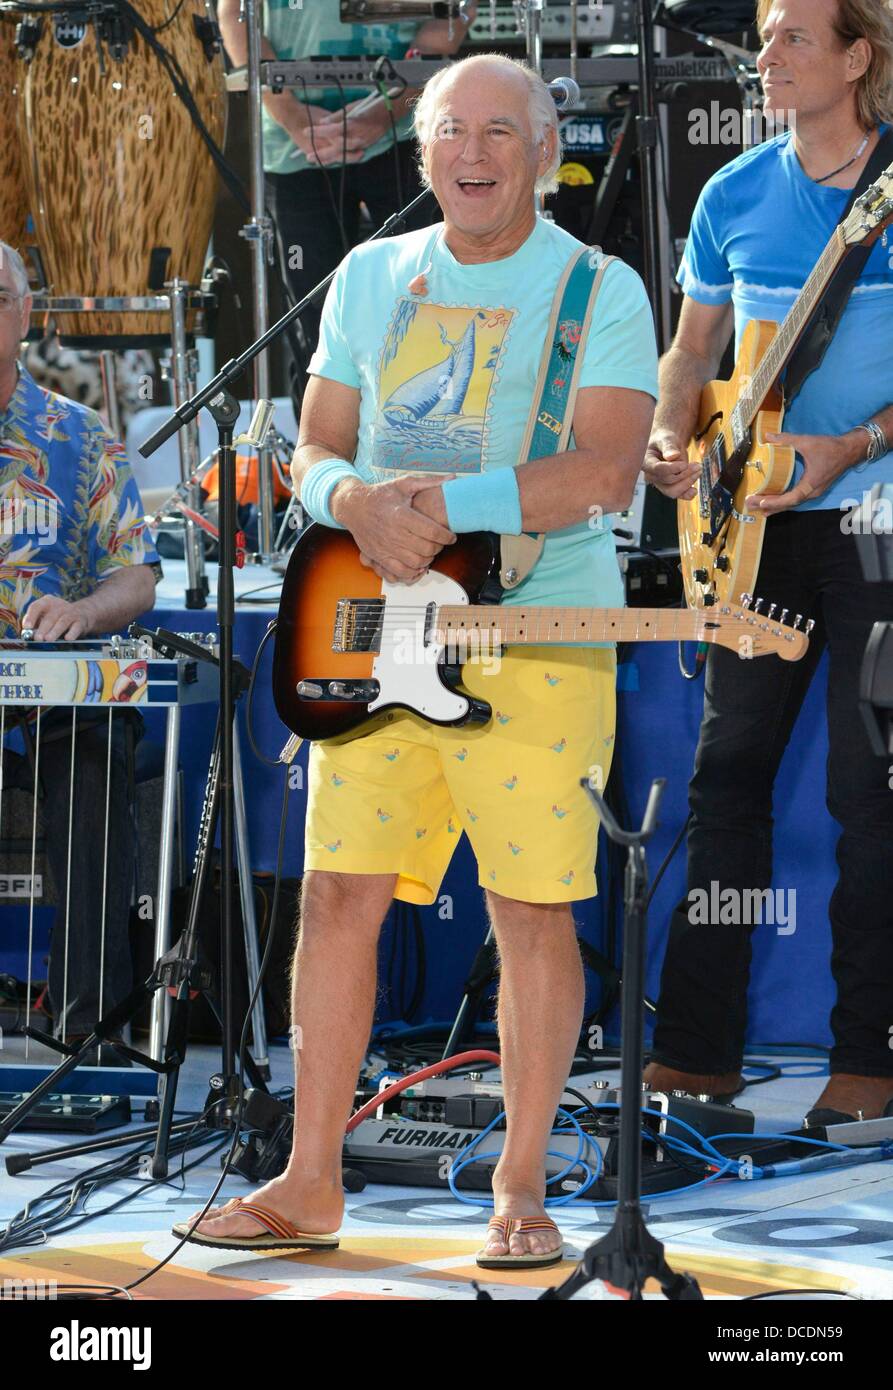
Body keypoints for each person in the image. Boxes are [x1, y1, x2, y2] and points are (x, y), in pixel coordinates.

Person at [178, 53, 658, 1266]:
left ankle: (518, 1189)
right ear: (424, 151)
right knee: (337, 898)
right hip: (381, 627)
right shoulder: (369, 274)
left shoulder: (599, 288)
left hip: (538, 638)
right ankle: (308, 1182)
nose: (473, 151)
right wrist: (358, 502)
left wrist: (437, 504)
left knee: (528, 913)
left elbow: (602, 471)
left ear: (544, 153)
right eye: (451, 131)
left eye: (501, 130)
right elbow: (318, 446)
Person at [643, 0, 893, 1123]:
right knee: (725, 780)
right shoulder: (730, 192)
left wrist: (849, 445)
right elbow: (690, 349)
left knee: (865, 793)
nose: (766, 52)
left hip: (878, 520)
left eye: (794, 35)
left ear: (856, 57)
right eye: (763, 33)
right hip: (750, 529)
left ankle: (868, 1057)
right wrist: (666, 434)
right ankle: (698, 1051)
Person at [0, 241, 159, 1056]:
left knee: (93, 762)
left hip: (56, 674)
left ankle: (86, 1035)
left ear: (27, 315)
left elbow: (136, 578)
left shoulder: (79, 433)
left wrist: (83, 612)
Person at [216, 0, 476, 417]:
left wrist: (383, 114)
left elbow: (456, 10)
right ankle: (321, 468)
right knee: (312, 320)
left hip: (405, 137)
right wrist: (292, 116)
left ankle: (419, 458)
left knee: (421, 307)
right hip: (294, 143)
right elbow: (233, 11)